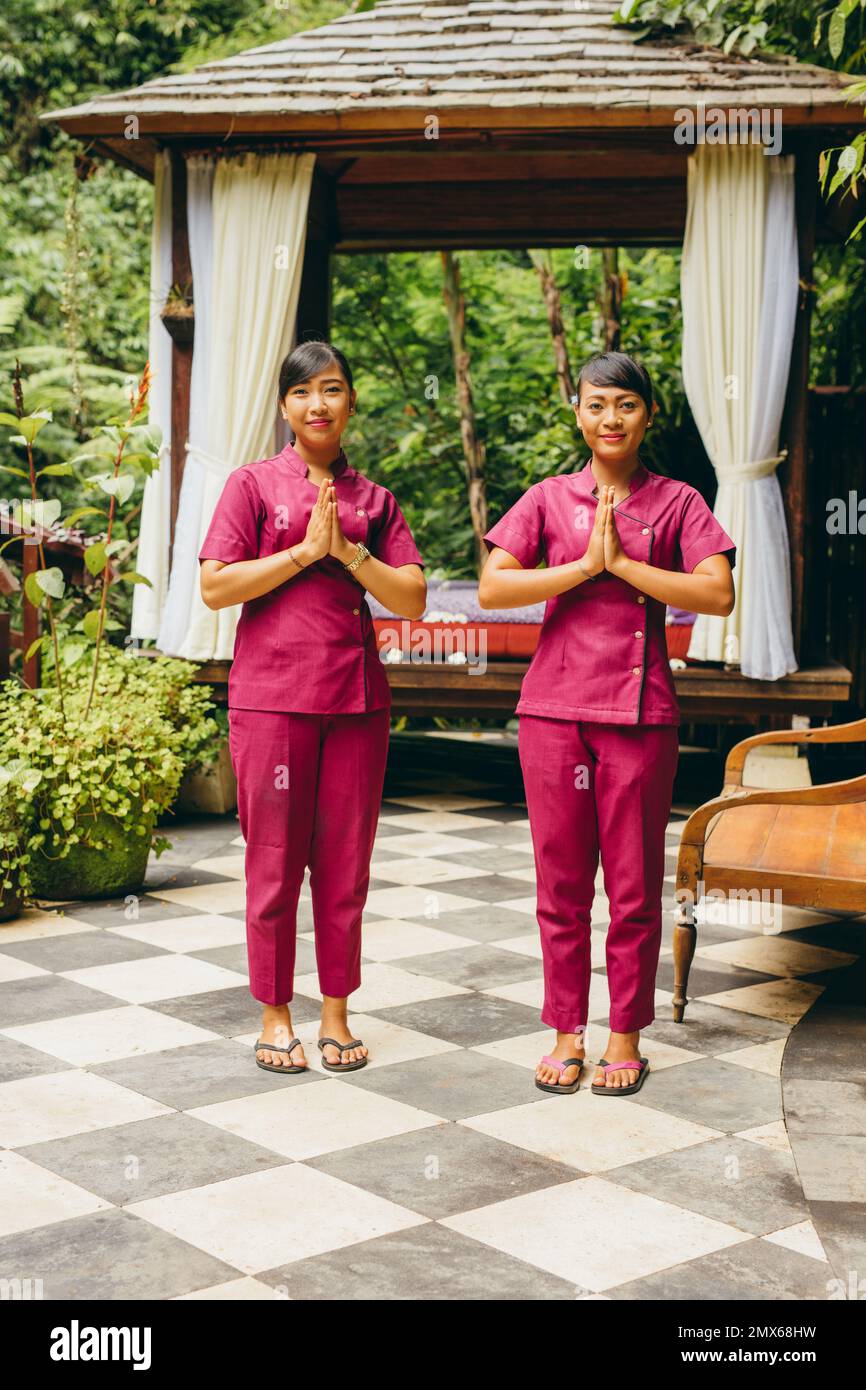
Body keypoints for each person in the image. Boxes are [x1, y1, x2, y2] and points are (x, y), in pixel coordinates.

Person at [478, 351, 736, 1097]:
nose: (610, 419)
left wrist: (622, 564)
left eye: (624, 405)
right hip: (553, 712)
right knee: (560, 886)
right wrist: (586, 565)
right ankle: (566, 1031)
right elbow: (496, 587)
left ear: (647, 414)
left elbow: (716, 595)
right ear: (577, 413)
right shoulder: (549, 498)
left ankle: (624, 1033)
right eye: (596, 405)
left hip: (638, 715)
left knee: (631, 888)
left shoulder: (678, 501)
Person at [199, 341, 426, 1076]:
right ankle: (273, 1015)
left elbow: (413, 599)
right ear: (285, 407)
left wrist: (350, 554)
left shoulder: (375, 501)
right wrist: (302, 552)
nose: (317, 405)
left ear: (351, 402)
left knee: (343, 866)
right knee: (272, 862)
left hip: (355, 702)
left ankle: (336, 1011)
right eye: (302, 393)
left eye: (331, 390)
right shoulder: (251, 486)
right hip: (270, 701)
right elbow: (216, 586)